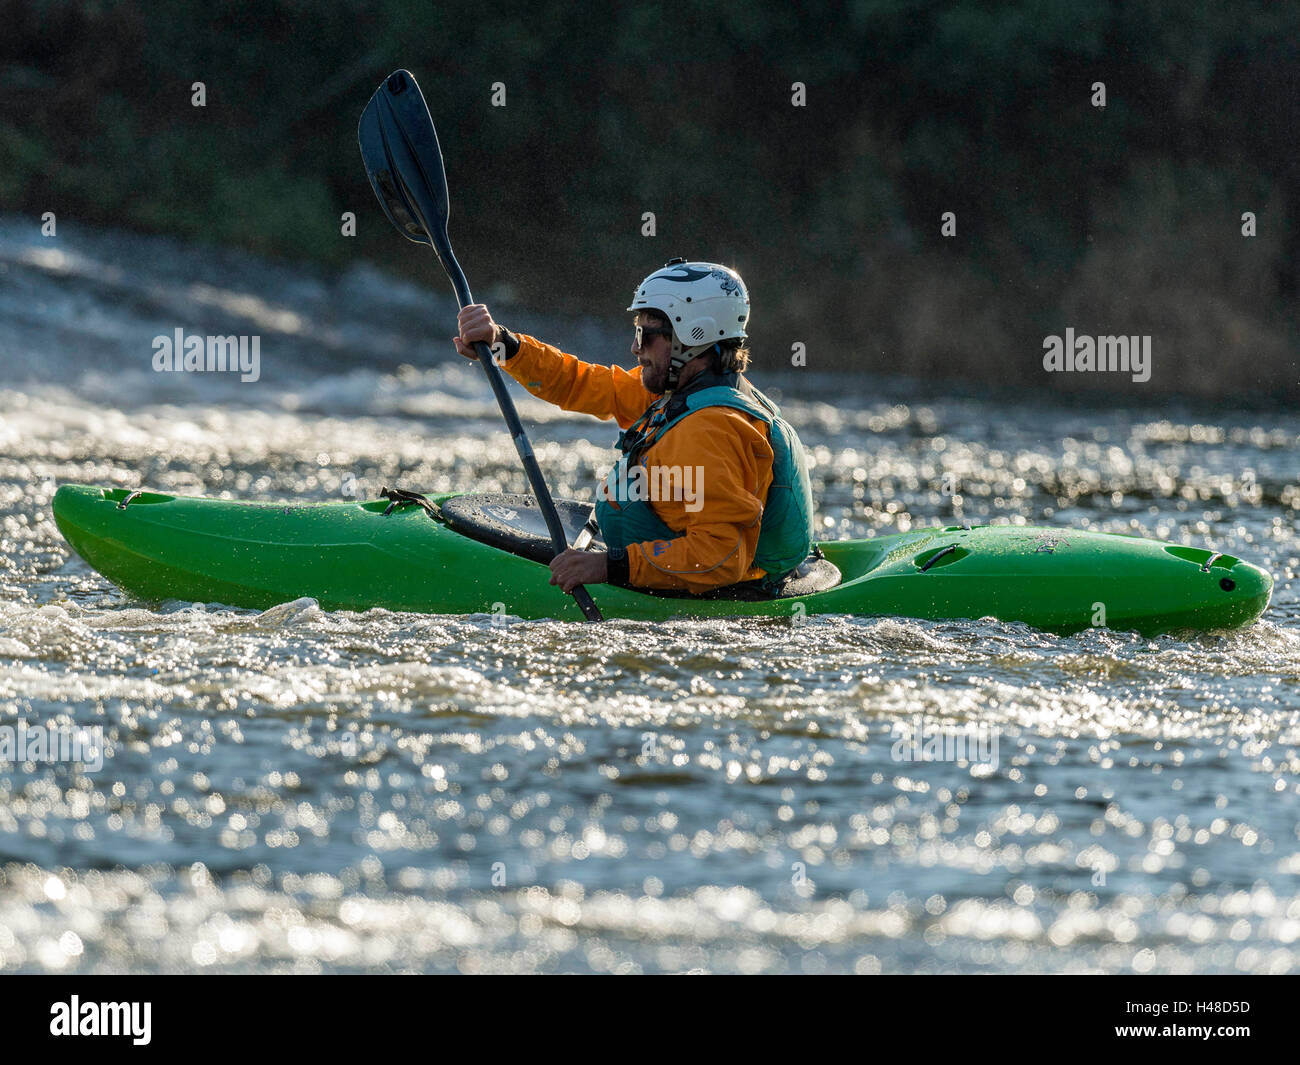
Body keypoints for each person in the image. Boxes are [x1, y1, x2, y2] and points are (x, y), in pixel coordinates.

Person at [452, 259, 814, 597]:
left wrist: (607, 566)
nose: (634, 347)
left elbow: (721, 557)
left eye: (644, 335)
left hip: (709, 594)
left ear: (692, 334)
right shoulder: (684, 394)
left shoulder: (712, 430)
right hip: (666, 567)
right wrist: (502, 345)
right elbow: (577, 383)